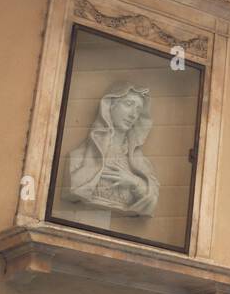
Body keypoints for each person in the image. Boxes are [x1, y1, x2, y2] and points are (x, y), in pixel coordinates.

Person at [65, 84, 160, 216]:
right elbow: (74, 186)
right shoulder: (79, 157)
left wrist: (134, 182)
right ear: (110, 106)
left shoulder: (142, 165)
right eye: (128, 104)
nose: (133, 114)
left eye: (138, 110)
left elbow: (152, 199)